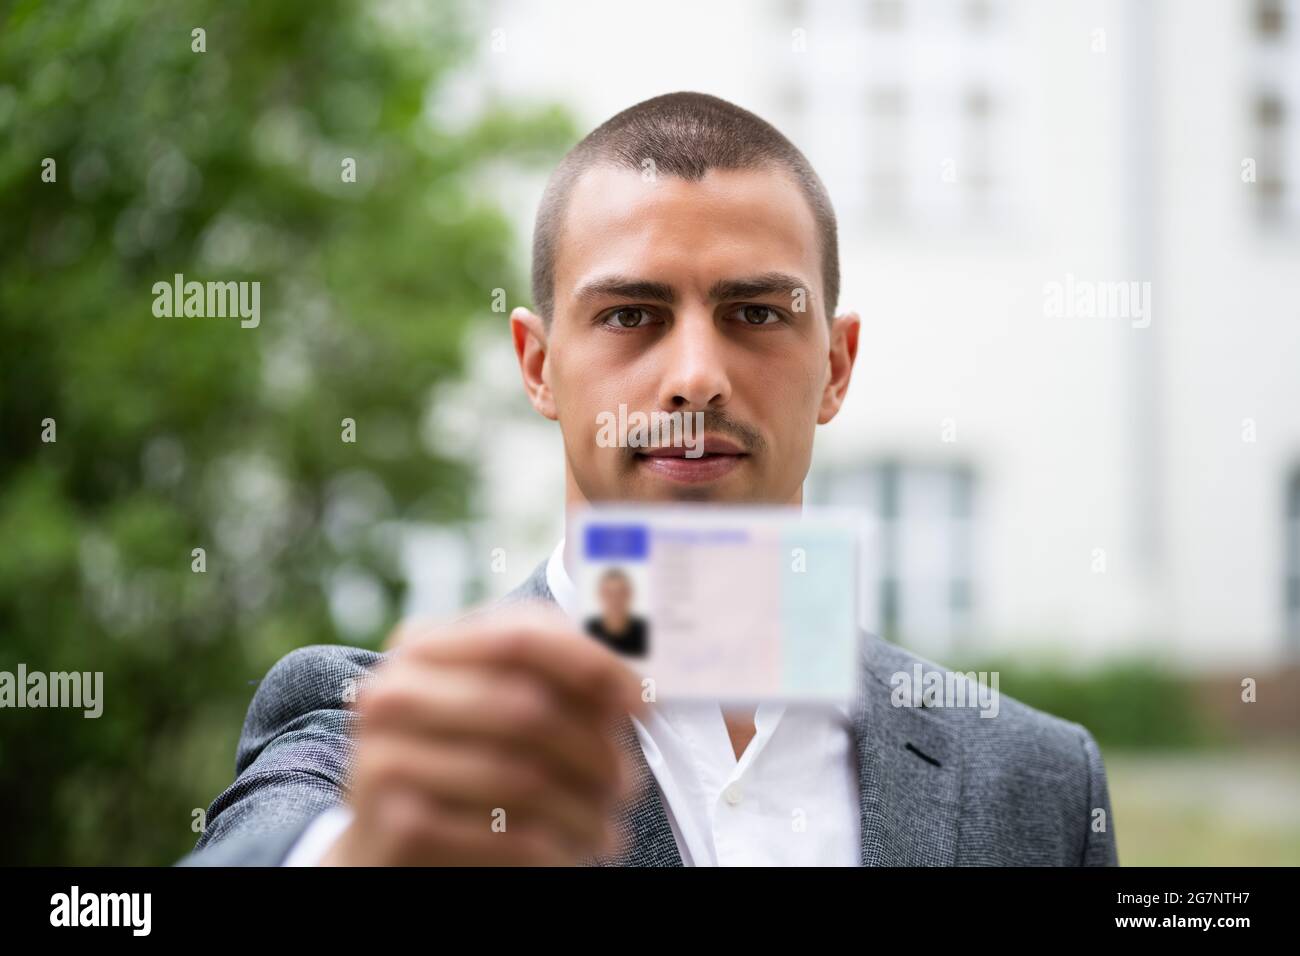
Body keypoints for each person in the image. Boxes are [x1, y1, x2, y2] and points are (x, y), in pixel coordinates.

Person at [185, 92, 1117, 867]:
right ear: (539, 366)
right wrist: (358, 854)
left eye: (754, 311)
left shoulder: (1038, 782)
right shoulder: (382, 738)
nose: (697, 375)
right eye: (633, 314)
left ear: (836, 366)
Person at [583, 567, 648, 657]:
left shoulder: (643, 630)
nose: (615, 600)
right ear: (601, 595)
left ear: (629, 594)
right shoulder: (589, 629)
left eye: (620, 593)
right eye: (609, 593)